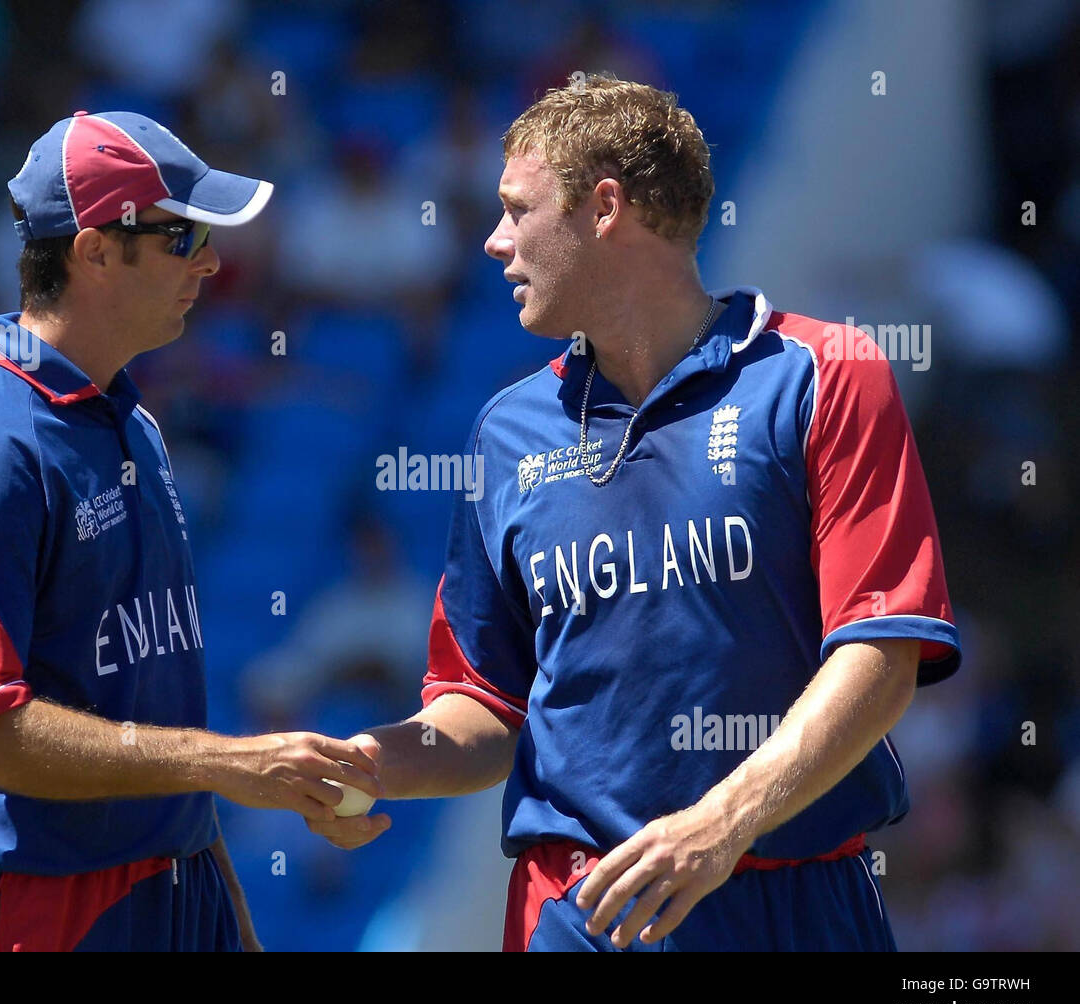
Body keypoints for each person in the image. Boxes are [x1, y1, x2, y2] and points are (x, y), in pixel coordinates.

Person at [309, 75, 961, 952]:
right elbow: (484, 707)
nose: (496, 242)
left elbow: (881, 657)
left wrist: (719, 827)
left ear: (604, 206)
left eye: (516, 208)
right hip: (582, 911)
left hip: (797, 902)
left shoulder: (824, 372)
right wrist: (363, 764)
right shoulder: (507, 431)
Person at [0, 110, 381, 952]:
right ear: (95, 251)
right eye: (182, 238)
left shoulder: (131, 424)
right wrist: (228, 765)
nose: (214, 262)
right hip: (43, 910)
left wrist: (227, 914)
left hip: (175, 892)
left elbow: (153, 709)